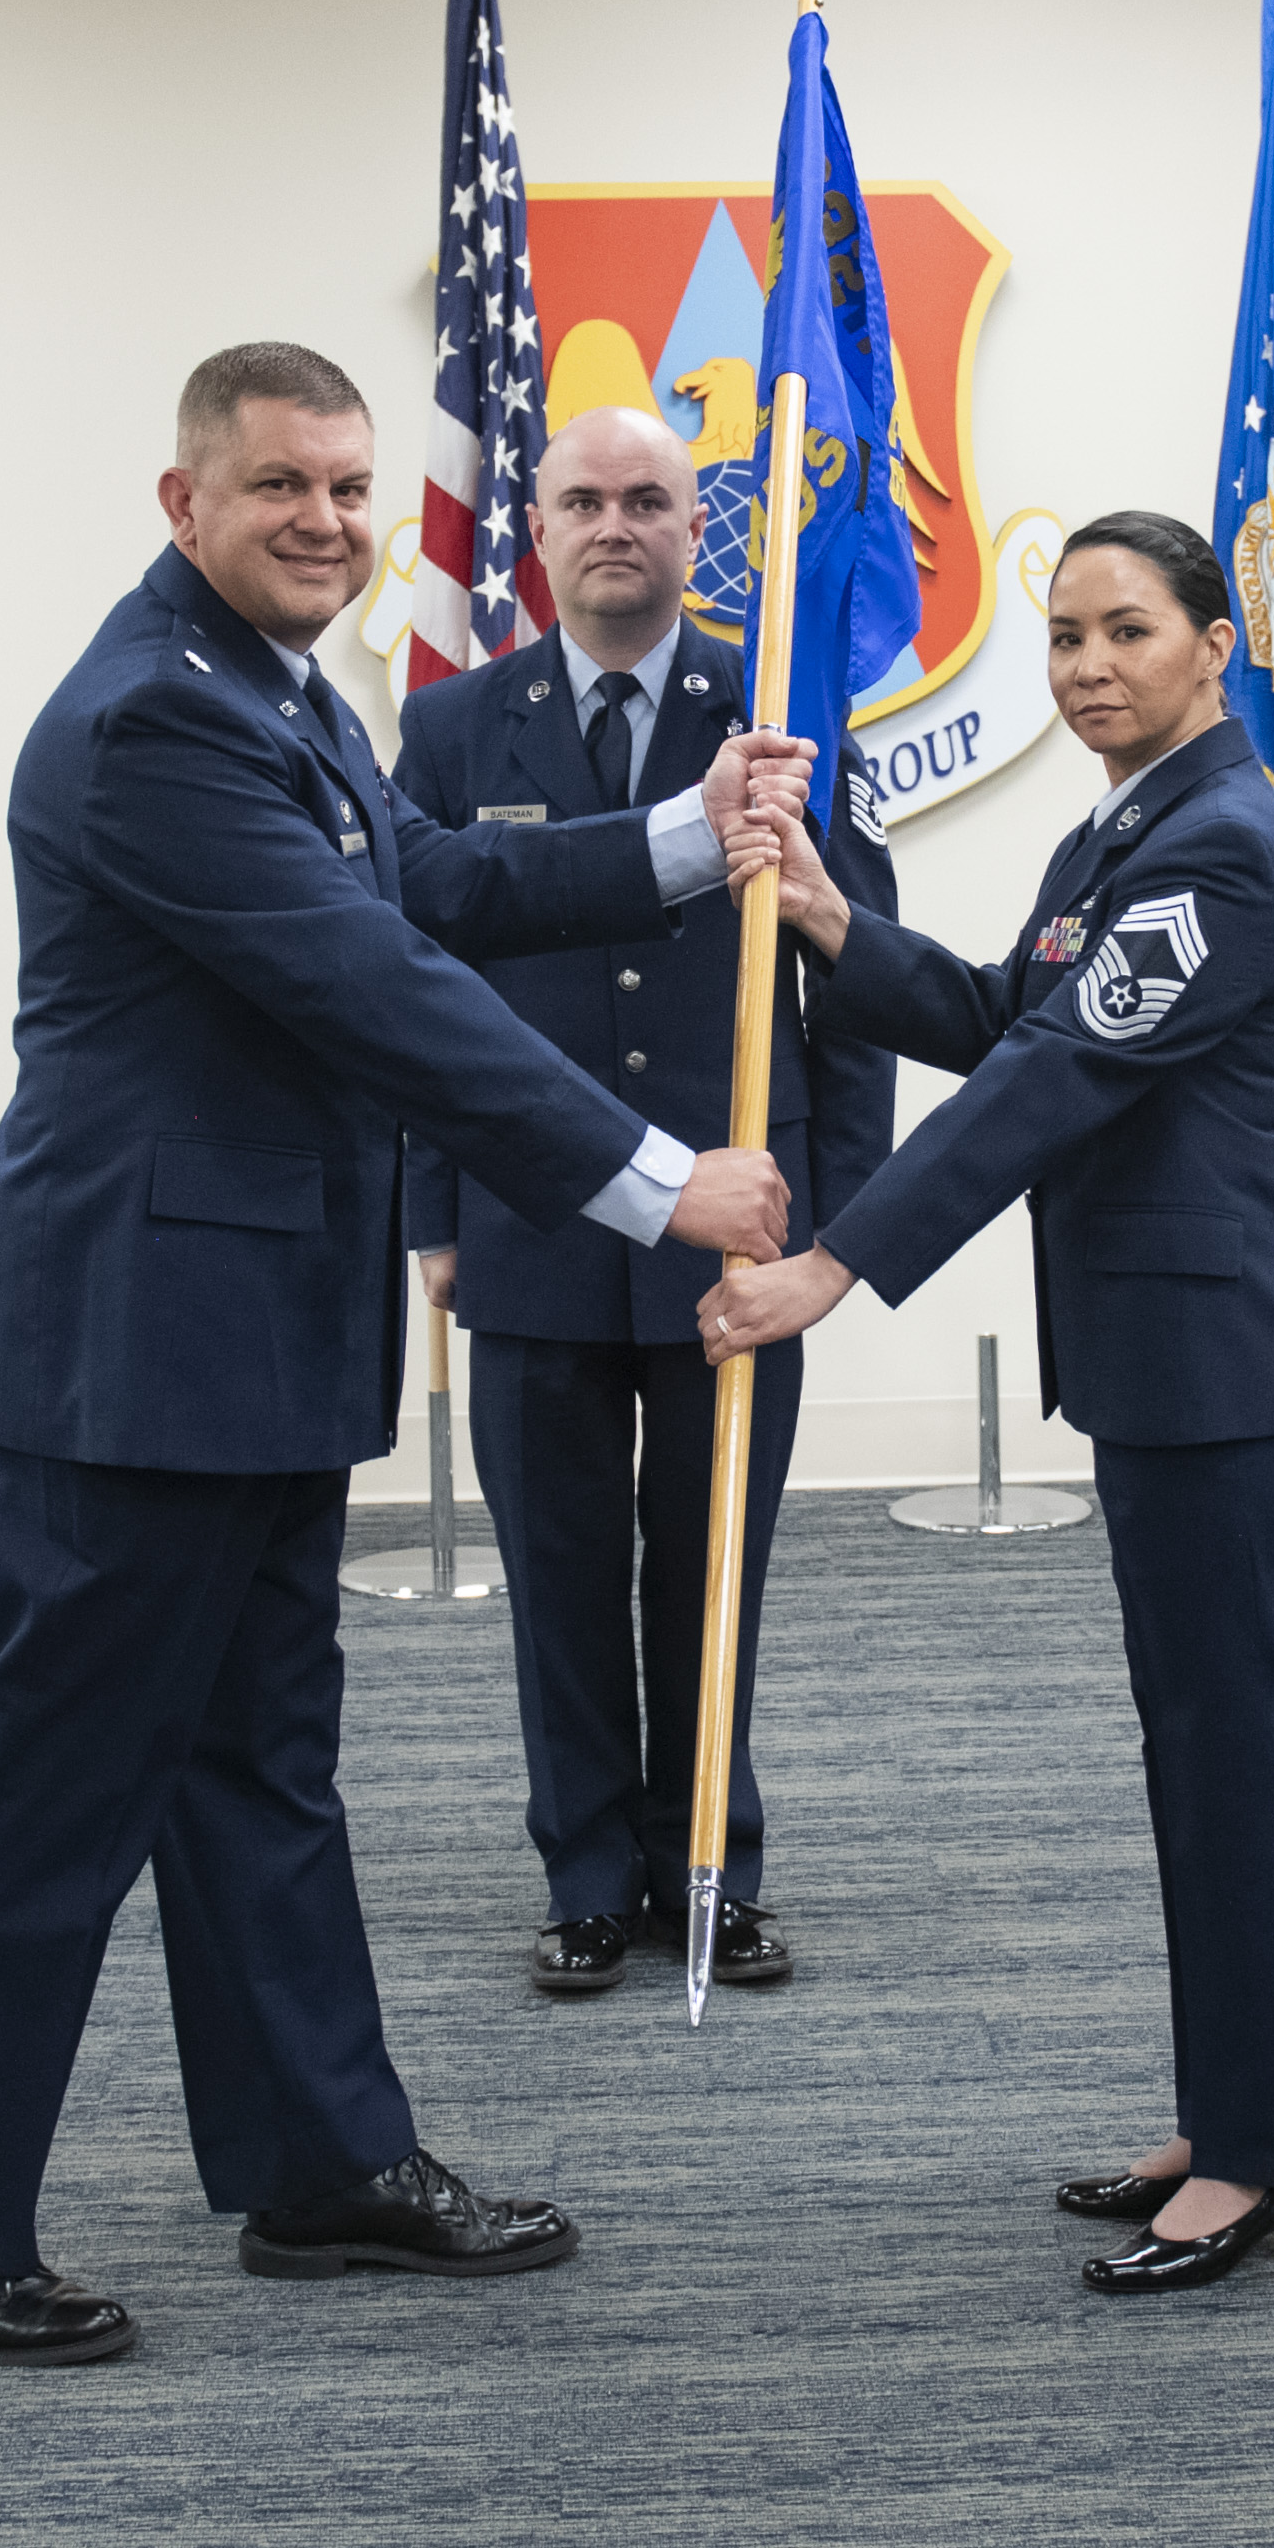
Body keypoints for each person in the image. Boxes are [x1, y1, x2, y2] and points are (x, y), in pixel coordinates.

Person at [0, 343, 811, 2367]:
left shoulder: (276, 698)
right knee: (50, 1792)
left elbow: (432, 880)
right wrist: (650, 1178)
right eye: (283, 486)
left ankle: (315, 2163)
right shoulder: (147, 727)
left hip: (244, 1346)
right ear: (181, 500)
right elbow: (377, 985)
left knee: (262, 1766)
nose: (331, 523)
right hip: (130, 1357)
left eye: (356, 490)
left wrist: (688, 841)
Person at [706, 509, 1274, 2298]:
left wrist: (829, 1266)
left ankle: (1269, 2154)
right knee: (1198, 1754)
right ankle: (1235, 2106)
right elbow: (1015, 1009)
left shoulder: (1219, 850)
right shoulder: (1128, 821)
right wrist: (842, 925)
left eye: (1124, 632)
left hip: (1228, 1370)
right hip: (1168, 1369)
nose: (1085, 668)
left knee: (1238, 1765)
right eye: (1063, 637)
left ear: (1215, 642)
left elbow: (1052, 1083)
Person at [392, 406, 898, 1998]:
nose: (616, 525)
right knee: (555, 1569)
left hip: (742, 1220)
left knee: (710, 1560)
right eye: (583, 501)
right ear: (532, 531)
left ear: (701, 531)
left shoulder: (781, 711)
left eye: (651, 501)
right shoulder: (459, 727)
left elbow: (856, 971)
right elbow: (410, 980)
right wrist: (431, 1212)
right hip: (531, 1219)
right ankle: (585, 1876)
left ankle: (709, 1866)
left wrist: (840, 1219)